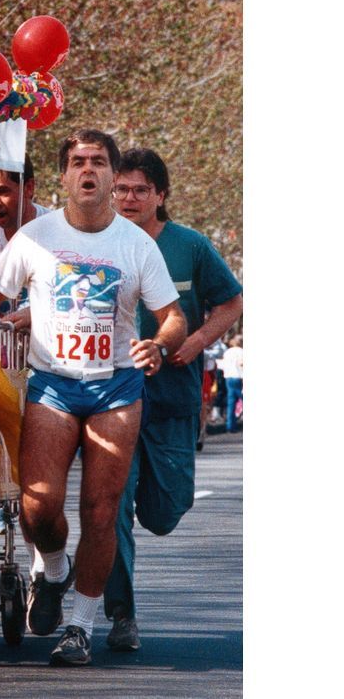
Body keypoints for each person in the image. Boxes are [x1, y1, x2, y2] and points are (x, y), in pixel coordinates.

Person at [0, 129, 187, 666]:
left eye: (99, 162)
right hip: (53, 383)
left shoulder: (136, 244)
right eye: (78, 161)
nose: (89, 170)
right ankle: (53, 568)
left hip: (117, 387)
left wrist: (159, 343)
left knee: (101, 513)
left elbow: (172, 316)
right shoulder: (35, 235)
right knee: (38, 508)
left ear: (111, 174)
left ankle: (80, 627)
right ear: (63, 175)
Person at [103, 147, 243, 651]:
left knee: (165, 511)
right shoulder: (100, 242)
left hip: (172, 400)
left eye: (141, 190)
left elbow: (232, 303)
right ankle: (121, 615)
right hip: (111, 399)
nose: (129, 198)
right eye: (121, 189)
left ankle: (151, 498)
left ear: (161, 196)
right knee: (111, 508)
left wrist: (195, 341)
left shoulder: (190, 246)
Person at [218, 334, 243, 432]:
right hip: (239, 377)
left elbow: (223, 364)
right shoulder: (242, 352)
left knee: (231, 402)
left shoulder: (227, 352)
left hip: (228, 377)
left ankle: (230, 425)